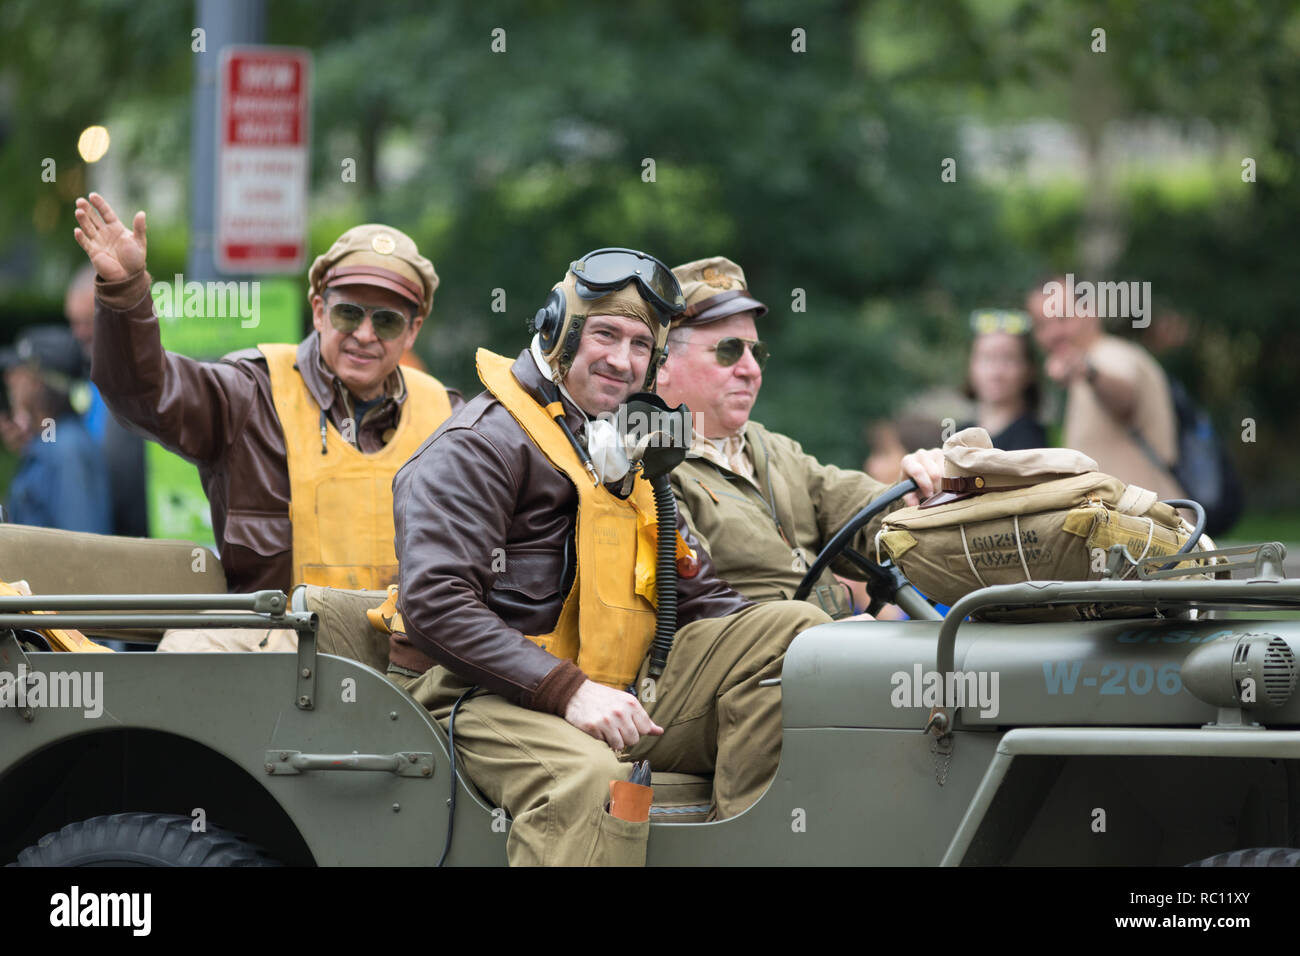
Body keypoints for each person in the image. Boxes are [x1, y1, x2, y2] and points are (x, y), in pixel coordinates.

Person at [387, 248, 831, 866]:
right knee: (593, 782)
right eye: (605, 334)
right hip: (480, 692)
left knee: (799, 636)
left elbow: (700, 595)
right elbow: (435, 605)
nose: (622, 361)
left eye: (641, 346)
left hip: (621, 685)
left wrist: (842, 643)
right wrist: (569, 692)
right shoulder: (481, 443)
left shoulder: (626, 446)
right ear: (559, 330)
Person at [71, 192, 461, 599]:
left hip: (405, 658)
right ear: (318, 311)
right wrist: (126, 293)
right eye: (348, 313)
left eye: (387, 321)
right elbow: (146, 394)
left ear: (413, 330)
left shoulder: (448, 419)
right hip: (276, 652)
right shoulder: (250, 394)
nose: (364, 334)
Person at [653, 256, 944, 620]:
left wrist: (919, 494)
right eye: (728, 351)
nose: (751, 369)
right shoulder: (649, 465)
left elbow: (856, 509)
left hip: (830, 654)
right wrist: (816, 638)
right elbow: (698, 604)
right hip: (755, 669)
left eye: (756, 352)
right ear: (662, 363)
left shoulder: (773, 449)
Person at [1027, 275, 1183, 499]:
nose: (1052, 333)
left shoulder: (1109, 355)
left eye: (1062, 318)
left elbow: (1124, 396)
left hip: (1145, 522)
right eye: (1041, 325)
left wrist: (1088, 371)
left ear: (1090, 311)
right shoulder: (1088, 364)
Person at [64, 264, 150, 537]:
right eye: (73, 323)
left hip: (139, 532)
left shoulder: (143, 374)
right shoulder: (75, 371)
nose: (79, 334)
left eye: (87, 322)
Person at [1, 325, 111, 533]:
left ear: (36, 383)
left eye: (18, 371)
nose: (9, 378)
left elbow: (82, 548)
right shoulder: (50, 442)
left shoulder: (68, 452)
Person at [960, 308, 1047, 451]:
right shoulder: (960, 435)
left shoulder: (1032, 440)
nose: (996, 372)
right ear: (971, 366)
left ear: (1029, 370)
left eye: (1008, 359)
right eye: (987, 358)